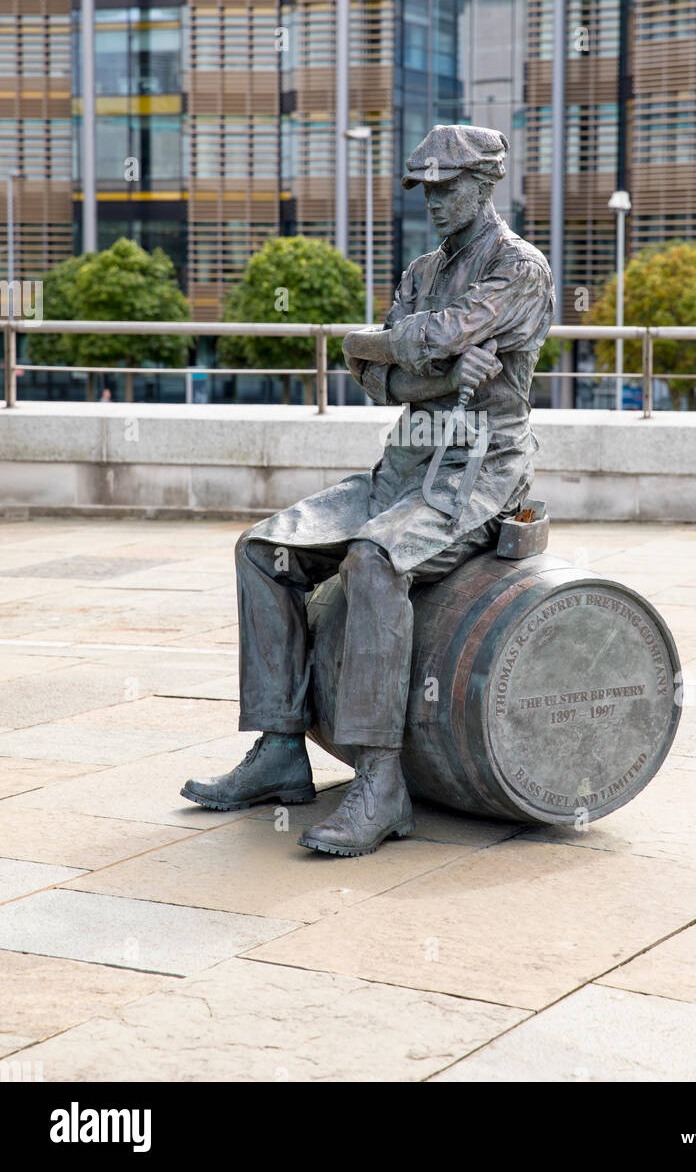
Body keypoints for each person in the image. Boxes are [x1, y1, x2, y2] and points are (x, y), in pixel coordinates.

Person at [181, 125, 554, 855]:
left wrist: (403, 347)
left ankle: (381, 783)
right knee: (263, 549)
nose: (435, 202)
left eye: (449, 188)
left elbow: (419, 340)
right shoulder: (419, 273)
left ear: (484, 186)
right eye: (426, 190)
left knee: (375, 561)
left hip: (480, 473)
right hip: (404, 464)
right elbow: (384, 372)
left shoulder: (520, 268)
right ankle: (282, 750)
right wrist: (436, 367)